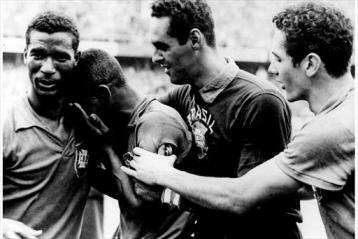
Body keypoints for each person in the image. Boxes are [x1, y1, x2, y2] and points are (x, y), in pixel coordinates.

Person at [122, 2, 355, 239]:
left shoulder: (329, 130)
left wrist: (164, 175)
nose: (271, 69)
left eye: (278, 59)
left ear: (310, 64)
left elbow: (242, 196)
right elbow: (299, 185)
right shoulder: (344, 116)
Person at [71, 48, 194, 239]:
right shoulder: (134, 124)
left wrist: (107, 150)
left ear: (102, 95)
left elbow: (141, 208)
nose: (86, 115)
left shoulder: (155, 124)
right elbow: (124, 190)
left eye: (85, 106)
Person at [3, 11, 93, 239]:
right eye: (38, 55)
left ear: (76, 59)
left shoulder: (89, 124)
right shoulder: (6, 125)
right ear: (25, 55)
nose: (47, 68)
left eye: (60, 57)